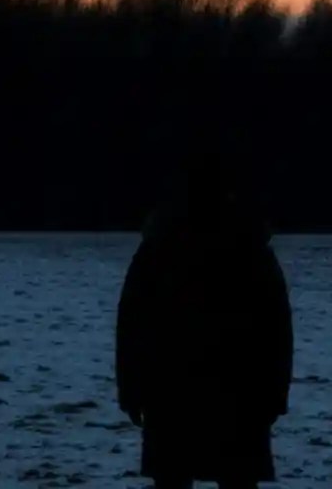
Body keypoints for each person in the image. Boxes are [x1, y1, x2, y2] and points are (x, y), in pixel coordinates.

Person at [116, 150, 293, 489]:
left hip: (173, 392)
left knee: (175, 478)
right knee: (235, 479)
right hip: (237, 393)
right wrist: (275, 393)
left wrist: (131, 388)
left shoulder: (159, 246)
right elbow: (276, 329)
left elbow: (132, 323)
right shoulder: (250, 246)